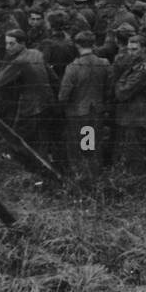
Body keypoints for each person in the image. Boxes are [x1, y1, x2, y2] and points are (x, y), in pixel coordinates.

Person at [0, 29, 55, 164]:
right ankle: (45, 160)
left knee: (19, 133)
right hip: (47, 100)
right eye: (6, 43)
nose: (7, 47)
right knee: (42, 134)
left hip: (30, 105)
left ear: (22, 43)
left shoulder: (19, 61)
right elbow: (53, 76)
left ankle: (15, 158)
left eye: (11, 44)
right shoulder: (36, 53)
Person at [57, 30, 111, 185]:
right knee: (93, 147)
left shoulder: (73, 67)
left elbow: (63, 95)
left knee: (78, 149)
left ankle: (82, 180)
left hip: (78, 114)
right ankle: (95, 178)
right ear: (93, 44)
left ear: (77, 45)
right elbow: (109, 88)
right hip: (97, 111)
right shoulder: (104, 63)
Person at [111, 32, 146, 172]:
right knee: (129, 151)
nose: (130, 53)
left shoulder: (143, 69)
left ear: (144, 49)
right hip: (131, 115)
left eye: (134, 49)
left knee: (134, 153)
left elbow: (122, 93)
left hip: (136, 116)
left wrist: (118, 83)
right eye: (129, 49)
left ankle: (136, 178)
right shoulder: (134, 65)